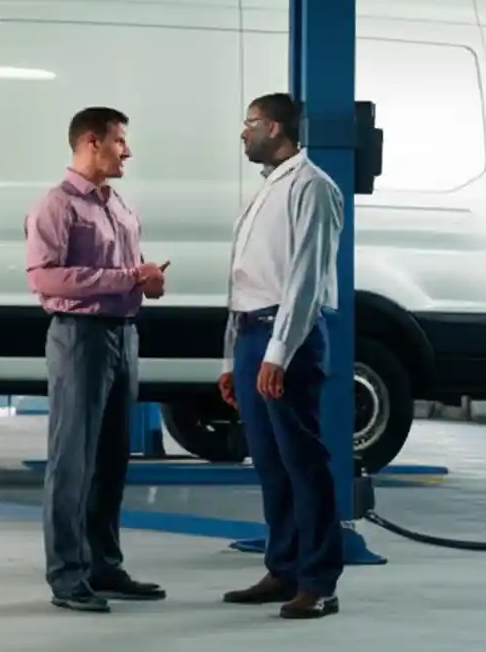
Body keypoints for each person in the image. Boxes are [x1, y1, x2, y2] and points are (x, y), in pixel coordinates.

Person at [23, 106, 170, 613]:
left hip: (123, 335)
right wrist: (128, 278)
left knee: (111, 458)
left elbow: (129, 272)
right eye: (119, 141)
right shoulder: (57, 206)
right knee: (73, 460)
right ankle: (68, 575)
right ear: (91, 142)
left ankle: (104, 565)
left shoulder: (119, 205)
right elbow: (44, 278)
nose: (126, 150)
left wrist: (148, 282)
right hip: (80, 336)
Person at [216, 93, 346, 620]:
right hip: (252, 335)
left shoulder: (312, 187)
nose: (243, 134)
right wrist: (230, 361)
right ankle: (284, 568)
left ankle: (319, 582)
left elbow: (306, 280)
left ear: (274, 127)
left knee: (303, 464)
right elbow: (241, 282)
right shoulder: (267, 190)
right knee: (270, 464)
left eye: (248, 124)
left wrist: (278, 354)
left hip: (286, 338)